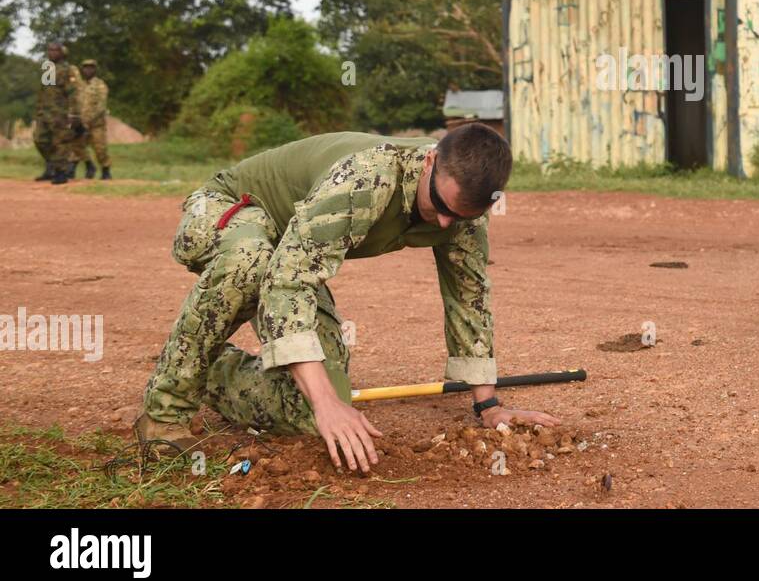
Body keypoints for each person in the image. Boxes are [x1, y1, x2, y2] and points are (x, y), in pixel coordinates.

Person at [134, 124, 559, 473]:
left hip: (293, 249)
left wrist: (488, 406)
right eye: (441, 206)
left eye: (462, 216)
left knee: (310, 413)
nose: (446, 222)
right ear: (430, 161)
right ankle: (165, 412)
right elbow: (289, 281)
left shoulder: (463, 211)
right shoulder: (368, 178)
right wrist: (326, 405)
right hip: (231, 212)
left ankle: (208, 368)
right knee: (251, 264)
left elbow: (468, 295)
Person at [32, 41, 84, 185]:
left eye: (55, 50)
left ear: (62, 53)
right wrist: (38, 111)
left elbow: (73, 93)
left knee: (60, 142)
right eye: (49, 50)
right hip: (44, 113)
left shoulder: (68, 70)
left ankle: (61, 172)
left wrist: (75, 114)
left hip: (60, 113)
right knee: (40, 139)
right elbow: (43, 91)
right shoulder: (47, 68)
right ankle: (51, 167)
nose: (51, 53)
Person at [74, 59, 112, 180]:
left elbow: (101, 107)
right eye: (85, 67)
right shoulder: (79, 85)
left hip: (96, 124)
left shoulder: (100, 85)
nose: (88, 70)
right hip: (80, 123)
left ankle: (106, 170)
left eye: (91, 67)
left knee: (100, 149)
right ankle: (89, 165)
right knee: (76, 146)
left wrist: (88, 120)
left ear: (95, 69)